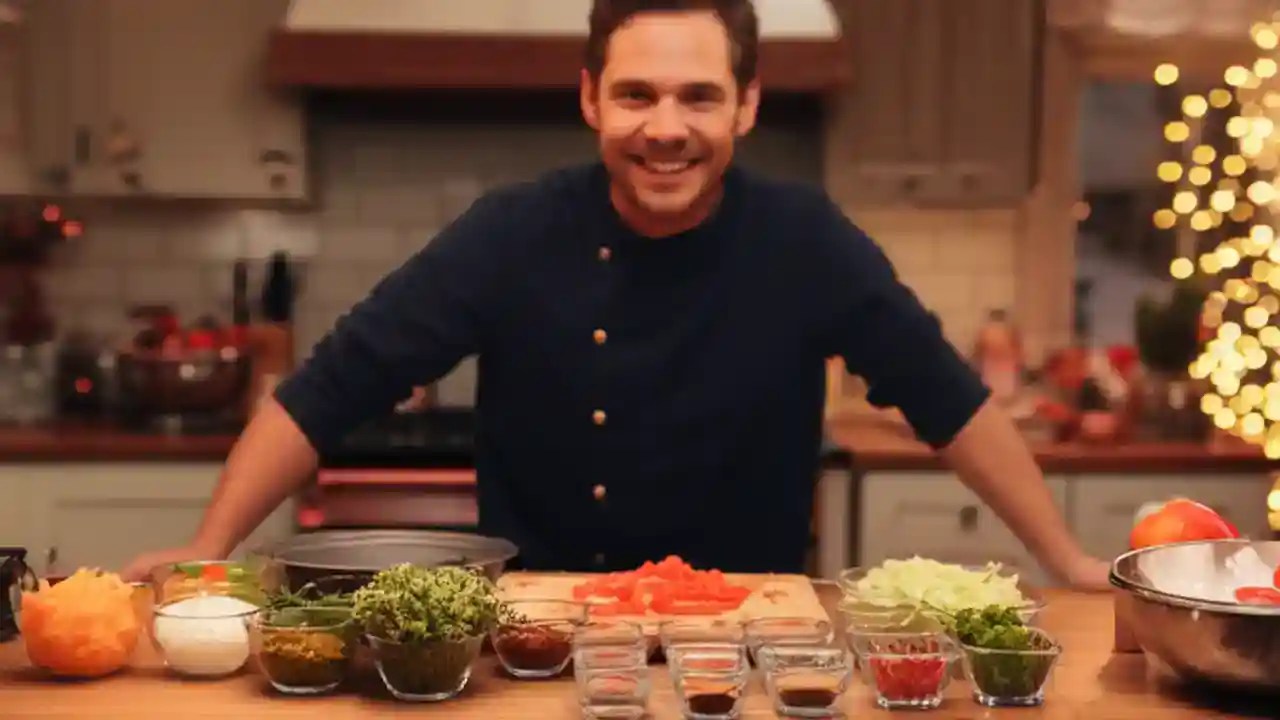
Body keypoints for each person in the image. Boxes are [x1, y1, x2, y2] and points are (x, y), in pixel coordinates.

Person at [122, 0, 1111, 588]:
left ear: (746, 106)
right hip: (538, 639)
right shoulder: (510, 233)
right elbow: (332, 386)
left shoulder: (805, 240)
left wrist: (1066, 562)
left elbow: (948, 401)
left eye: (698, 97)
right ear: (591, 98)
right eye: (637, 94)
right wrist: (210, 546)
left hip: (745, 639)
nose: (665, 128)